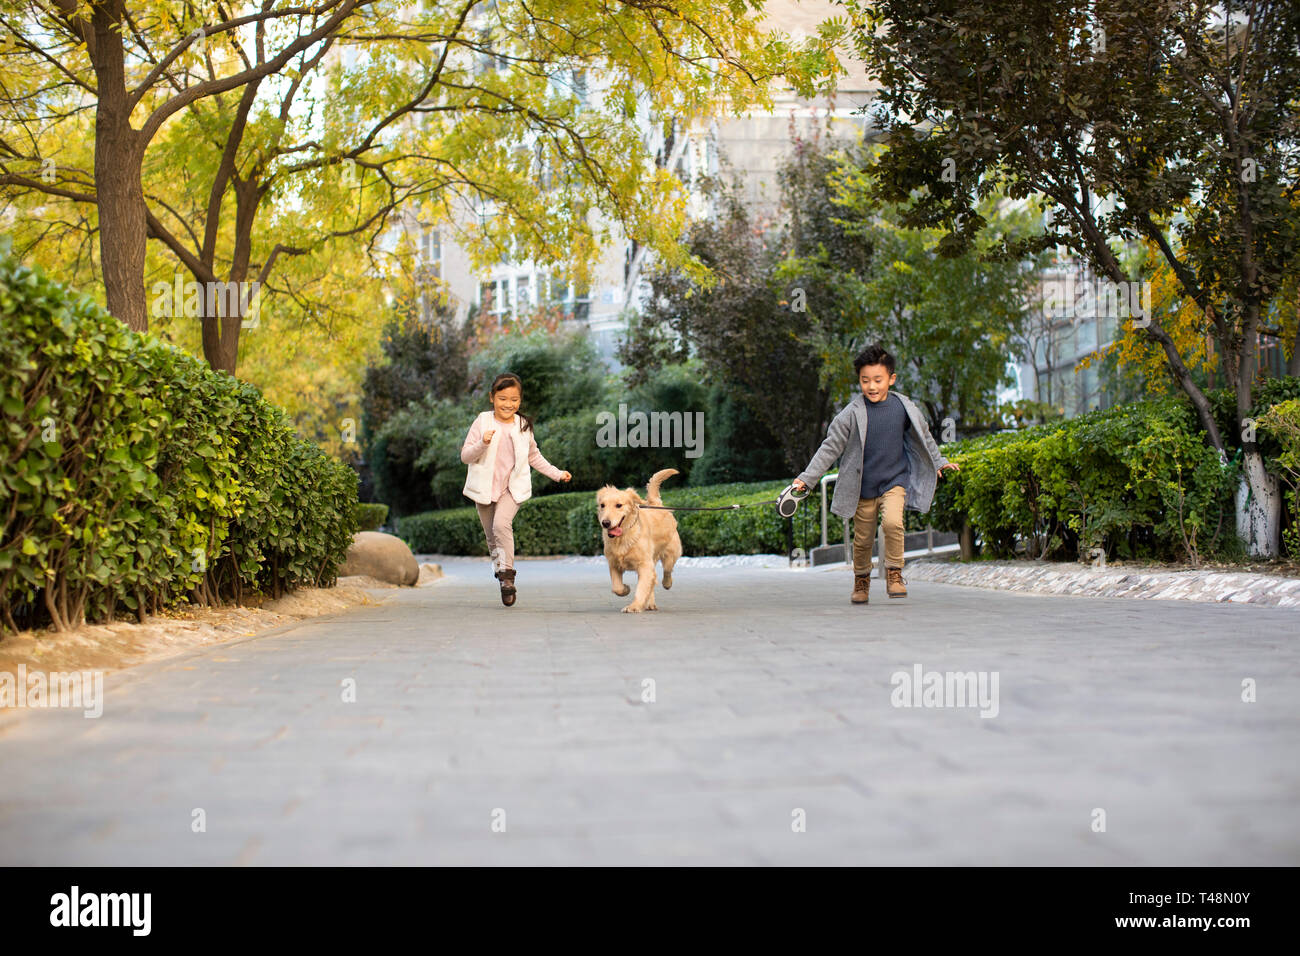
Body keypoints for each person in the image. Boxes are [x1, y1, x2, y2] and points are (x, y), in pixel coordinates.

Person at [792, 344, 959, 605]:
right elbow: (830, 447)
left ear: (891, 379)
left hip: (895, 480)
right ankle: (862, 580)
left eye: (878, 380)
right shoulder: (851, 413)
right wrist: (807, 478)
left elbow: (924, 436)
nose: (871, 386)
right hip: (863, 487)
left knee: (893, 523)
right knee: (863, 539)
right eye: (865, 380)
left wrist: (939, 462)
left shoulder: (904, 407)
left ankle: (894, 573)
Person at [461, 373, 571, 606]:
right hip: (485, 489)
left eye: (514, 399)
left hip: (513, 488)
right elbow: (465, 456)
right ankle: (502, 576)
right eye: (502, 398)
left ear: (520, 401)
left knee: (502, 525)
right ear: (492, 398)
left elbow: (534, 456)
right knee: (492, 538)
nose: (508, 404)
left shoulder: (523, 426)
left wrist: (557, 473)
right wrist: (483, 443)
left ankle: (508, 577)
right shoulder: (482, 421)